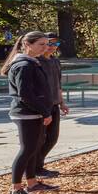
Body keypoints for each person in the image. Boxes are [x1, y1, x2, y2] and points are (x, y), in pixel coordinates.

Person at [0, 31, 58, 194]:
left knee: (33, 150)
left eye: (46, 44)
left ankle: (32, 183)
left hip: (34, 113)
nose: (46, 47)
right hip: (26, 114)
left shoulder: (31, 63)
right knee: (27, 150)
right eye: (41, 44)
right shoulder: (23, 65)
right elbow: (25, 95)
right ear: (27, 44)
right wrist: (44, 111)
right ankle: (15, 189)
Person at [35, 35, 68, 180]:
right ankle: (35, 168)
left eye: (56, 44)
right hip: (42, 106)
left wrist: (62, 102)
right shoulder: (36, 61)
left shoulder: (55, 61)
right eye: (49, 43)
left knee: (52, 138)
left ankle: (37, 165)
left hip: (54, 104)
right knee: (39, 139)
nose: (52, 46)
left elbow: (58, 84)